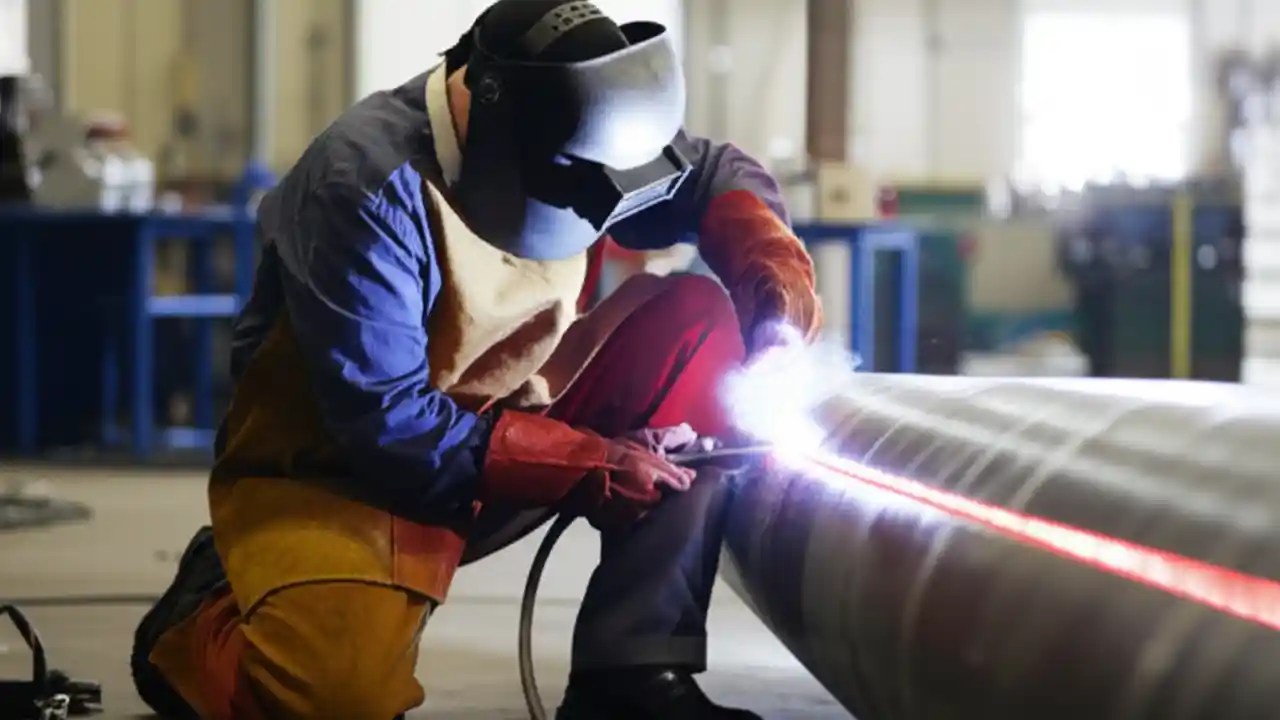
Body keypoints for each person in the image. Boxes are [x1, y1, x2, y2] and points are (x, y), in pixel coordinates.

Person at [129, 2, 821, 718]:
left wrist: (772, 285)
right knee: (336, 698)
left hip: (511, 417)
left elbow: (712, 174)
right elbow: (384, 422)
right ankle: (202, 615)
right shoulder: (362, 185)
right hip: (346, 474)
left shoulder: (581, 129)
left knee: (697, 327)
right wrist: (586, 463)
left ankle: (632, 675)